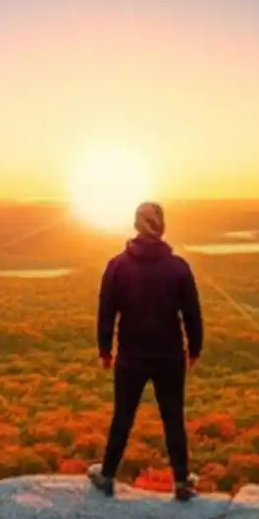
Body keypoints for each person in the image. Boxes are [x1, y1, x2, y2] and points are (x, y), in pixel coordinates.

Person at [89, 201, 204, 501]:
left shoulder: (117, 266)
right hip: (169, 356)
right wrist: (195, 348)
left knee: (123, 417)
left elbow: (106, 311)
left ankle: (107, 475)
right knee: (173, 417)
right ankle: (181, 482)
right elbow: (192, 313)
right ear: (162, 225)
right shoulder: (178, 267)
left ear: (136, 225)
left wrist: (105, 349)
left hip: (131, 357)